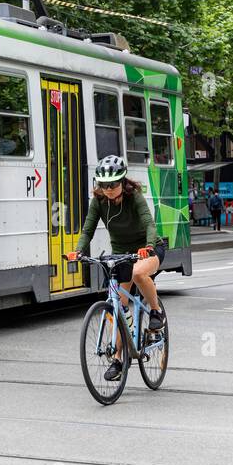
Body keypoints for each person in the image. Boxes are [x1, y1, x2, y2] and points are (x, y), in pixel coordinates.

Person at [68, 154, 166, 382]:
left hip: (147, 250)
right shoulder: (99, 202)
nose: (108, 189)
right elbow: (87, 230)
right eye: (103, 185)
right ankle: (119, 359)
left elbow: (149, 224)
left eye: (112, 185)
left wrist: (149, 246)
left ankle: (155, 312)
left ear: (123, 182)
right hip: (122, 254)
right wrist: (79, 250)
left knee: (139, 272)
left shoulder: (135, 198)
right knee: (118, 307)